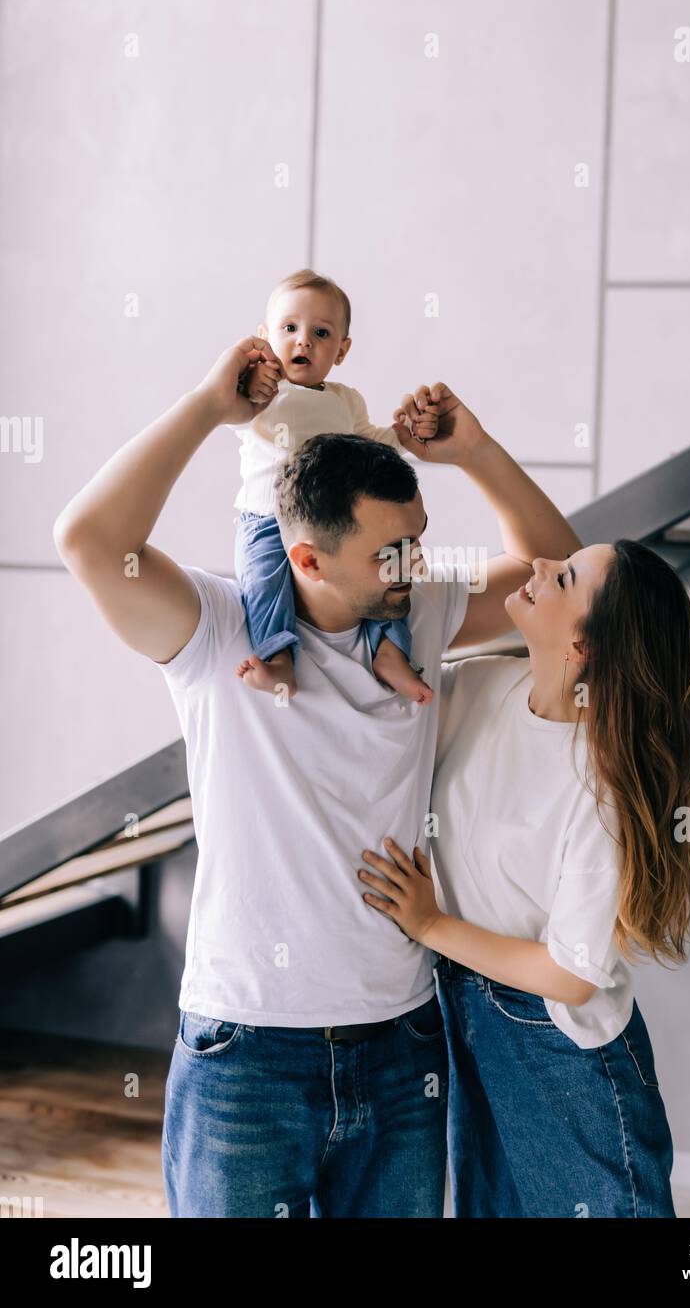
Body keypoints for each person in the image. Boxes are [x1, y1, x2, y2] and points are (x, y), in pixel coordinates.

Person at [52, 332, 579, 1217]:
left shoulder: (421, 606)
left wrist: (477, 454)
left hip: (400, 1038)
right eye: (389, 552)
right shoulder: (216, 631)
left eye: (418, 540)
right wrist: (206, 409)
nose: (414, 563)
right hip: (246, 1051)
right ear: (305, 558)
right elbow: (89, 541)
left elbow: (564, 577)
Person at [357, 540, 690, 1217]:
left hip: (563, 1050)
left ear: (582, 645)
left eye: (565, 574)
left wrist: (431, 925)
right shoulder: (480, 685)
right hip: (467, 1013)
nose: (539, 566)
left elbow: (572, 973)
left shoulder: (602, 783)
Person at [231, 266, 440, 704]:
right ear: (265, 337)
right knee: (264, 586)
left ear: (341, 351)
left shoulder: (345, 401)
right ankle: (281, 660)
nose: (303, 340)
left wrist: (404, 435)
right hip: (268, 516)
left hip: (335, 520)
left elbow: (372, 442)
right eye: (289, 328)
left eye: (321, 333)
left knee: (386, 574)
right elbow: (229, 406)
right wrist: (247, 379)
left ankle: (389, 651)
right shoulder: (261, 391)